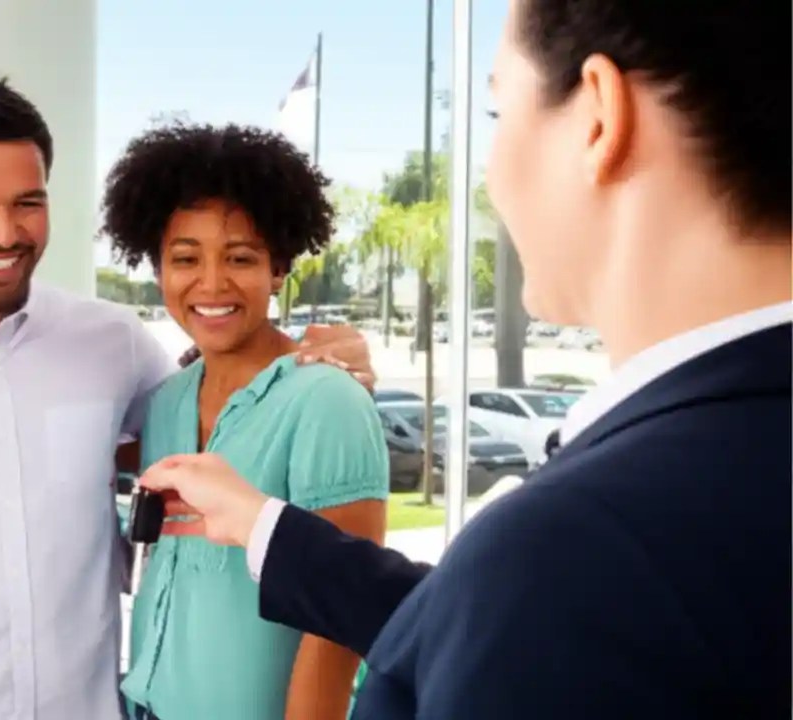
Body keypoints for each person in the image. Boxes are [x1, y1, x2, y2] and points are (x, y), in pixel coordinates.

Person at [136, 1, 791, 718]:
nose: (489, 172)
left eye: (498, 113)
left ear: (599, 117)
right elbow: (481, 618)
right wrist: (265, 526)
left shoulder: (574, 538)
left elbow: (520, 618)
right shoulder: (706, 488)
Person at [0, 75, 376, 720]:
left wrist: (322, 364)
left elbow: (226, 410)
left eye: (27, 202)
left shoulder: (112, 342)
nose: (4, 232)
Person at [99, 123, 390, 720]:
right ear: (158, 270)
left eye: (240, 258)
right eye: (185, 259)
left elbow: (339, 621)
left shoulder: (326, 401)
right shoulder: (166, 401)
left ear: (278, 268)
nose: (211, 283)